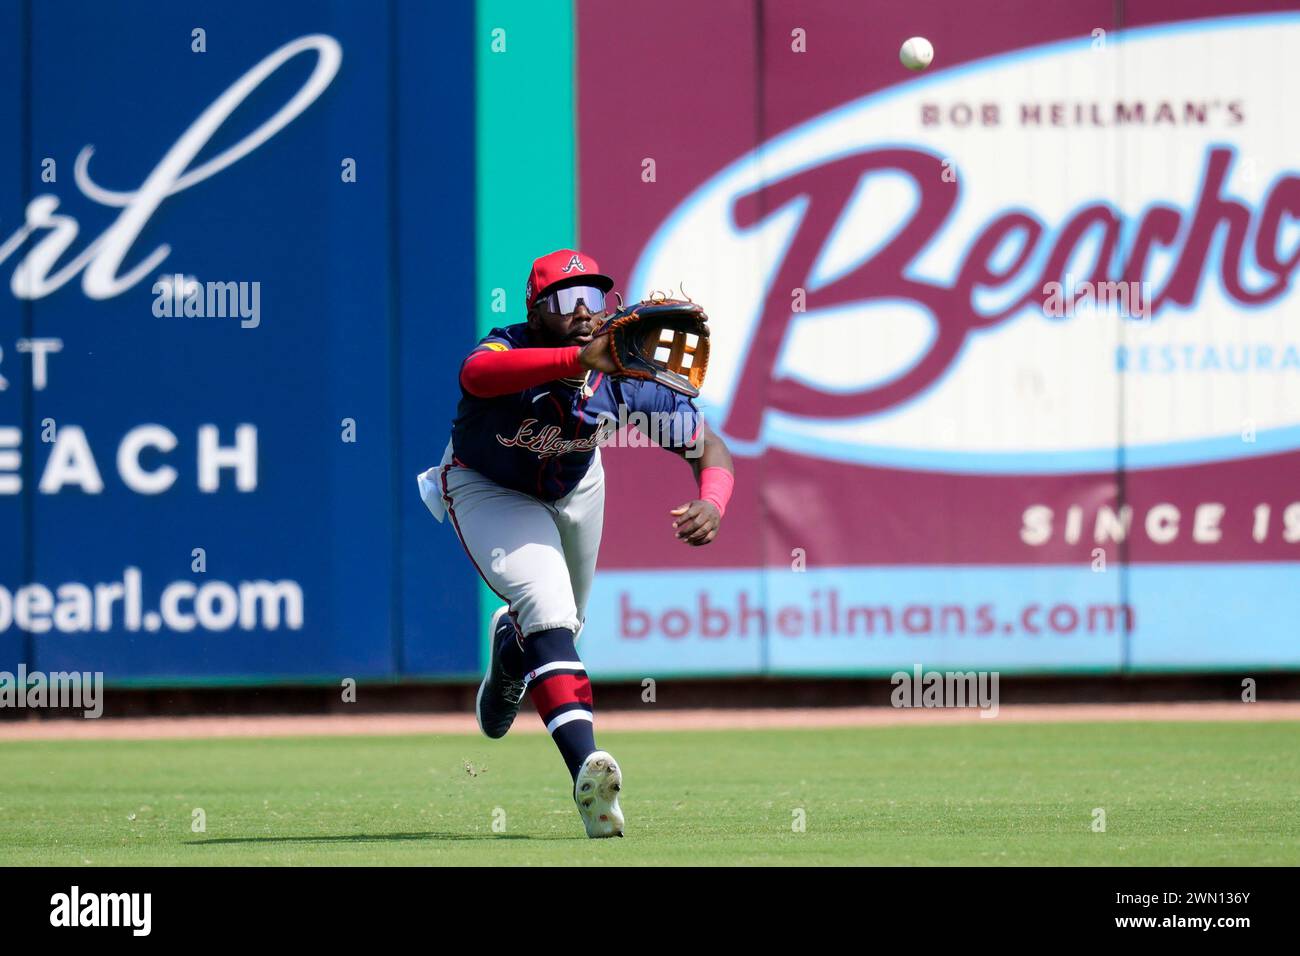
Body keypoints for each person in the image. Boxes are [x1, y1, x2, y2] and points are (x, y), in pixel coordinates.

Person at [417, 249, 735, 837]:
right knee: (549, 609)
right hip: (487, 486)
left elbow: (708, 447)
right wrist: (572, 357)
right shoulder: (507, 348)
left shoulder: (622, 381)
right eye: (568, 301)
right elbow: (474, 375)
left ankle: (511, 655)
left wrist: (712, 499)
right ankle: (587, 773)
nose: (586, 312)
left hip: (576, 485)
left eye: (595, 299)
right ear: (536, 312)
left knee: (565, 626)